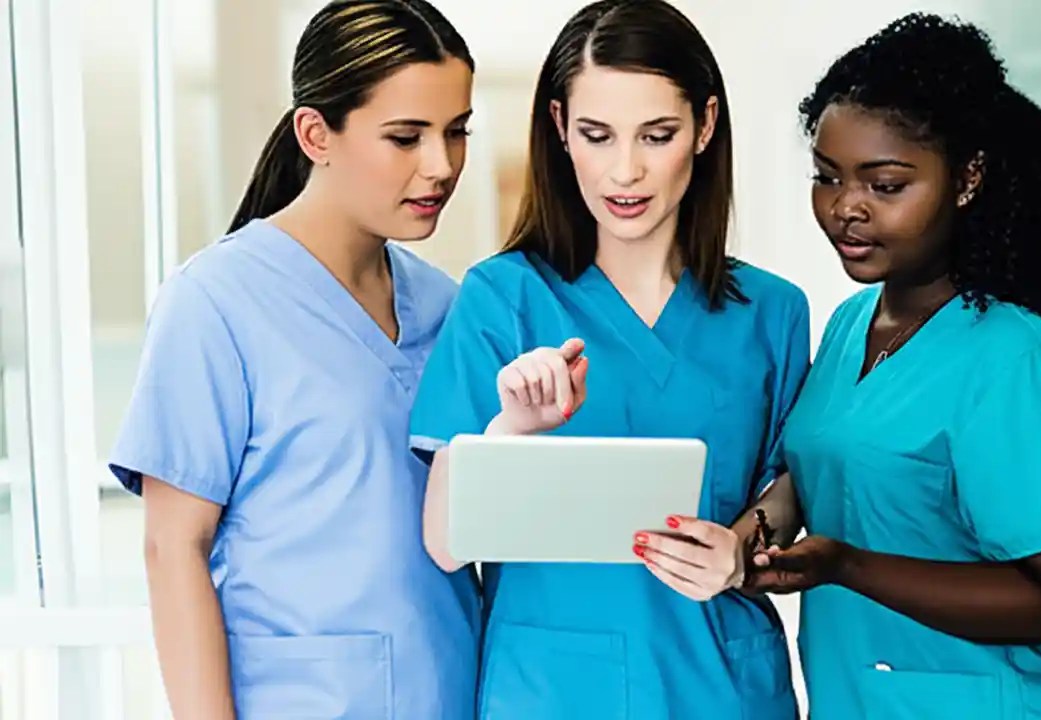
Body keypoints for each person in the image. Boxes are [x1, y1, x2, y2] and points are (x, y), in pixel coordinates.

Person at [407, 1, 810, 717]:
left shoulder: (773, 311)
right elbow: (442, 542)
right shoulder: (503, 299)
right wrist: (510, 431)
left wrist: (741, 548)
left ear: (705, 126)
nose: (626, 171)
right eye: (597, 135)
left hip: (720, 683)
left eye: (657, 135)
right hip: (551, 687)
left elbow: (790, 484)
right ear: (560, 128)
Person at [107, 2, 478, 718]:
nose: (441, 166)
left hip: (454, 692)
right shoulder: (216, 302)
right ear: (316, 134)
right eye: (406, 137)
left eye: (456, 131)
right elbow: (172, 548)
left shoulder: (449, 307)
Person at [743, 13, 1041, 720]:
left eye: (885, 185)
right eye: (827, 177)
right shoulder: (855, 324)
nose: (846, 209)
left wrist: (844, 565)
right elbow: (834, 468)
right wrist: (750, 537)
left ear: (966, 178)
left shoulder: (1015, 357)